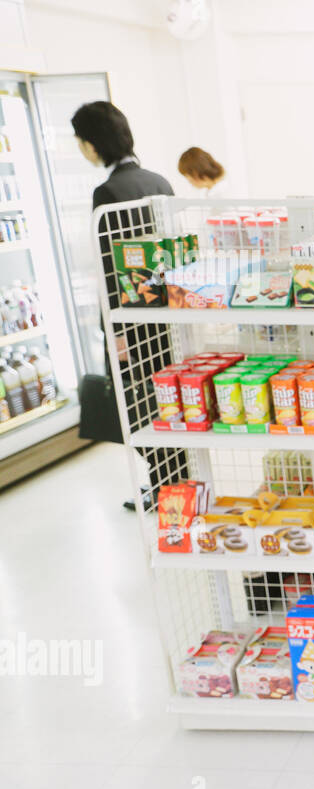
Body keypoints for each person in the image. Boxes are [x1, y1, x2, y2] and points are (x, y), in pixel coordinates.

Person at [72, 101, 184, 512]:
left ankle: (163, 485)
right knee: (170, 401)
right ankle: (175, 484)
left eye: (81, 140)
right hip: (168, 312)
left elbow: (109, 269)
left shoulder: (107, 192)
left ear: (92, 143)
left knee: (137, 408)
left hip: (131, 320)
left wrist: (113, 332)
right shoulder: (159, 181)